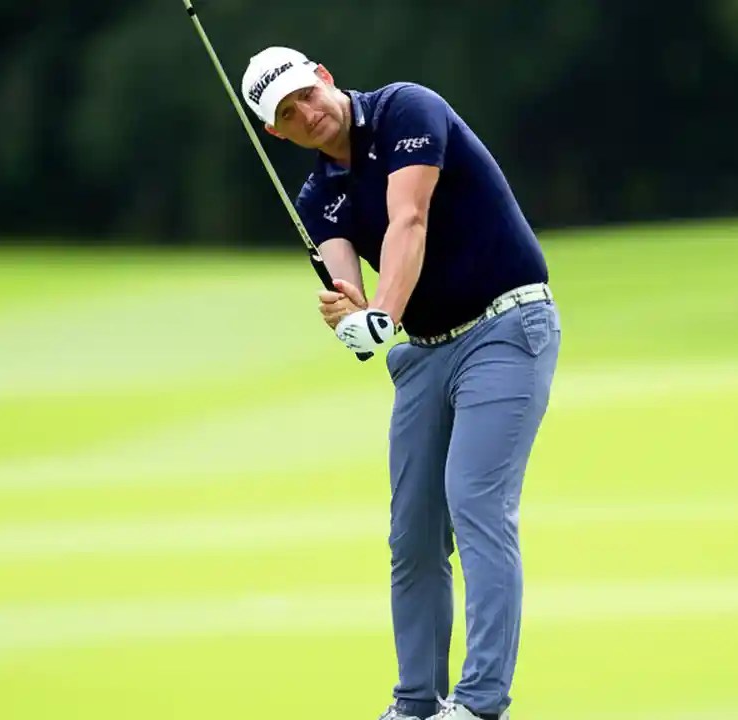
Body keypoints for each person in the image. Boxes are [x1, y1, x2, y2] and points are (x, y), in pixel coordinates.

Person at [239, 47, 561, 720]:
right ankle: (415, 702)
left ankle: (478, 704)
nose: (307, 113)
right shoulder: (316, 196)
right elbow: (347, 290)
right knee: (412, 534)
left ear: (324, 77)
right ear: (277, 132)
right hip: (423, 354)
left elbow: (407, 219)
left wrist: (380, 311)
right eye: (287, 114)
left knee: (474, 499)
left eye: (306, 93)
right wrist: (348, 316)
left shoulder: (406, 110)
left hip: (506, 326)